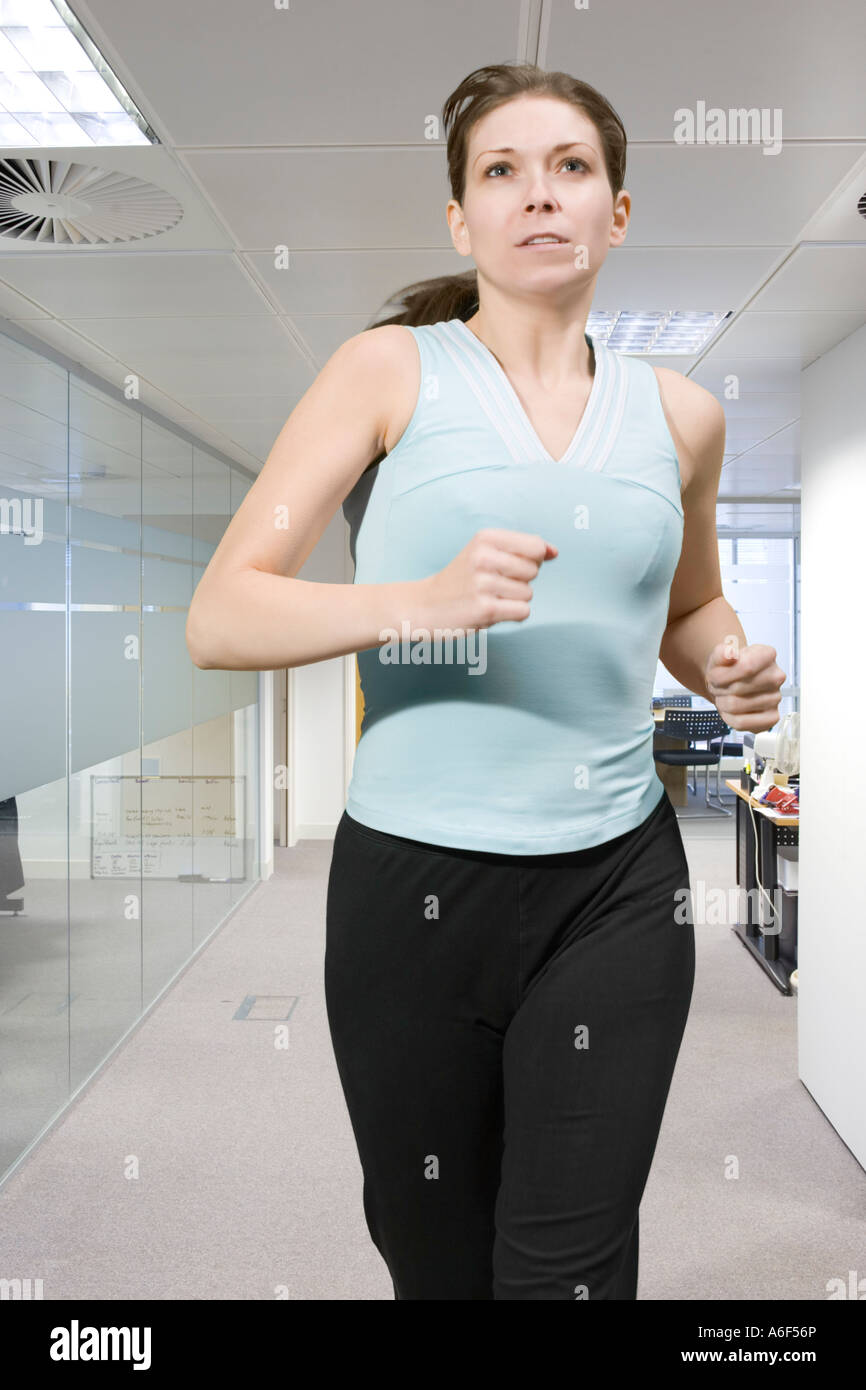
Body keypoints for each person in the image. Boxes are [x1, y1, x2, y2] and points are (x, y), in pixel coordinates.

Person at [186, 61, 786, 1300]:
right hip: (412, 883)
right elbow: (221, 610)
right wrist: (419, 605)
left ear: (616, 211)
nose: (537, 194)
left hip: (615, 883)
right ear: (459, 219)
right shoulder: (386, 373)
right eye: (499, 171)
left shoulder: (680, 417)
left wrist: (722, 663)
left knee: (567, 1264)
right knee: (435, 1259)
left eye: (570, 167)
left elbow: (682, 606)